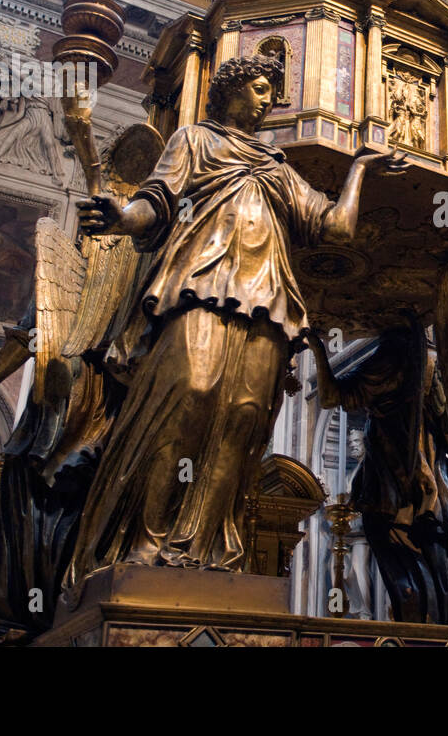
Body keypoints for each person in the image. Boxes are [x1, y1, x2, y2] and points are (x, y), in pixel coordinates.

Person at [65, 55, 406, 587]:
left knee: (244, 419)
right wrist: (120, 216)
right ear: (229, 92)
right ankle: (143, 545)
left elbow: (335, 231)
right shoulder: (195, 140)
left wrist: (360, 168)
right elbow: (154, 204)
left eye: (272, 91)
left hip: (268, 301)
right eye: (261, 88)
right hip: (200, 284)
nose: (269, 100)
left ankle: (204, 553)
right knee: (191, 396)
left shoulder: (278, 168)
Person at [306, 318, 448, 627]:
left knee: (408, 574)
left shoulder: (391, 358)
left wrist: (316, 346)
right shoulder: (433, 362)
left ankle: (425, 631)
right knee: (443, 566)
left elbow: (330, 396)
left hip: (396, 482)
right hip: (433, 485)